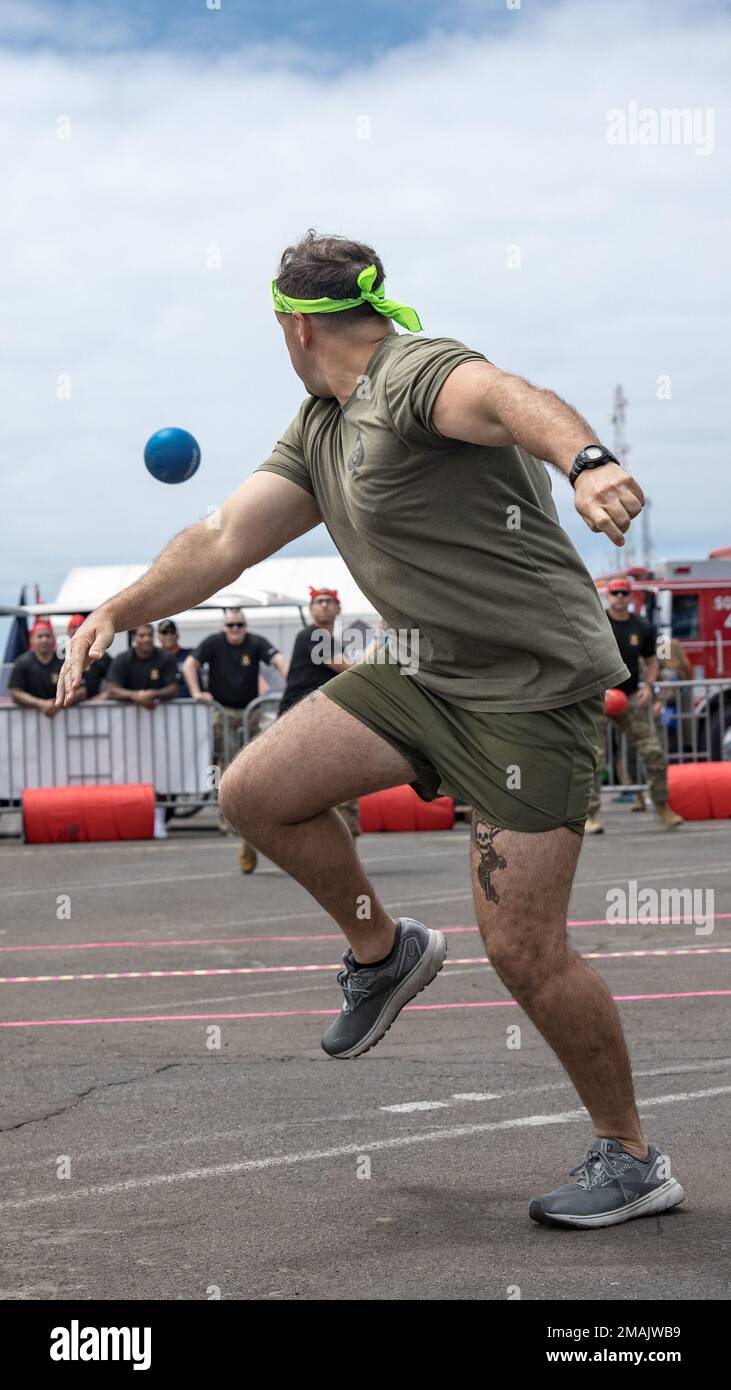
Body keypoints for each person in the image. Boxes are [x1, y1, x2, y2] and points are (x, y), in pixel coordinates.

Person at [57, 231, 685, 1229]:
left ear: (291, 324)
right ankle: (382, 950)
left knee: (523, 951)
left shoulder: (413, 374)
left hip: (527, 692)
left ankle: (632, 1157)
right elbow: (221, 538)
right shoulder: (319, 425)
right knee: (254, 791)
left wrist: (587, 458)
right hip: (416, 671)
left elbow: (504, 394)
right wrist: (119, 610)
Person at [182, 608, 288, 872]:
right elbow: (189, 664)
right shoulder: (213, 643)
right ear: (224, 626)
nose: (235, 629)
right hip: (223, 709)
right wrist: (198, 692)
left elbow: (279, 659)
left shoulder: (255, 642)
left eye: (240, 624)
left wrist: (291, 682)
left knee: (254, 765)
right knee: (223, 764)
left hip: (249, 710)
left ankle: (249, 818)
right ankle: (225, 814)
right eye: (231, 625)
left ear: (245, 625)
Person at [279, 585, 380, 836]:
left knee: (338, 777)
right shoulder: (312, 636)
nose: (324, 605)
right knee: (290, 783)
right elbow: (352, 672)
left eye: (329, 601)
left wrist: (380, 640)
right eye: (318, 601)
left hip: (322, 721)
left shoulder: (329, 642)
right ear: (311, 609)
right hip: (297, 721)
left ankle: (346, 842)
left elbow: (353, 671)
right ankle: (255, 829)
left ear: (338, 609)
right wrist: (380, 640)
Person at [586, 578, 683, 833]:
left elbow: (652, 660)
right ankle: (588, 816)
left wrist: (649, 687)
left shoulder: (643, 626)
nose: (619, 596)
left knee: (654, 752)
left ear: (630, 597)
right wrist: (596, 688)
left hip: (629, 698)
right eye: (615, 592)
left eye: (624, 593)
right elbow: (584, 657)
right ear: (608, 596)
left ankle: (662, 807)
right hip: (600, 698)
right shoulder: (597, 622)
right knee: (594, 759)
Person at [10, 619, 85, 713]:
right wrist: (40, 704)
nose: (44, 640)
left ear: (53, 639)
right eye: (40, 636)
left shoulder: (64, 661)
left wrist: (56, 703)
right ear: (31, 639)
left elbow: (81, 691)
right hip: (30, 720)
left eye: (48, 636)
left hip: (64, 718)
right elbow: (15, 692)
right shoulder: (22, 662)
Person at [105, 624, 179, 707]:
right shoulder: (122, 659)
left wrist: (152, 694)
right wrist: (136, 695)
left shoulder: (166, 657)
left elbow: (173, 688)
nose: (147, 639)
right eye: (142, 636)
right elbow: (112, 690)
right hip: (128, 714)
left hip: (160, 713)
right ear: (134, 638)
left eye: (150, 635)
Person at [67, 614, 111, 700]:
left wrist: (103, 696)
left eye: (80, 626)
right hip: (71, 706)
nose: (77, 630)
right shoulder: (63, 656)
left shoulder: (100, 654)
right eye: (73, 626)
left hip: (98, 706)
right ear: (68, 631)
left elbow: (113, 681)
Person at [157, 619, 192, 697]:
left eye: (172, 632)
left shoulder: (190, 655)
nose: (169, 636)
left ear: (177, 635)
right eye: (164, 632)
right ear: (158, 637)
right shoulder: (154, 658)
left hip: (188, 702)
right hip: (161, 704)